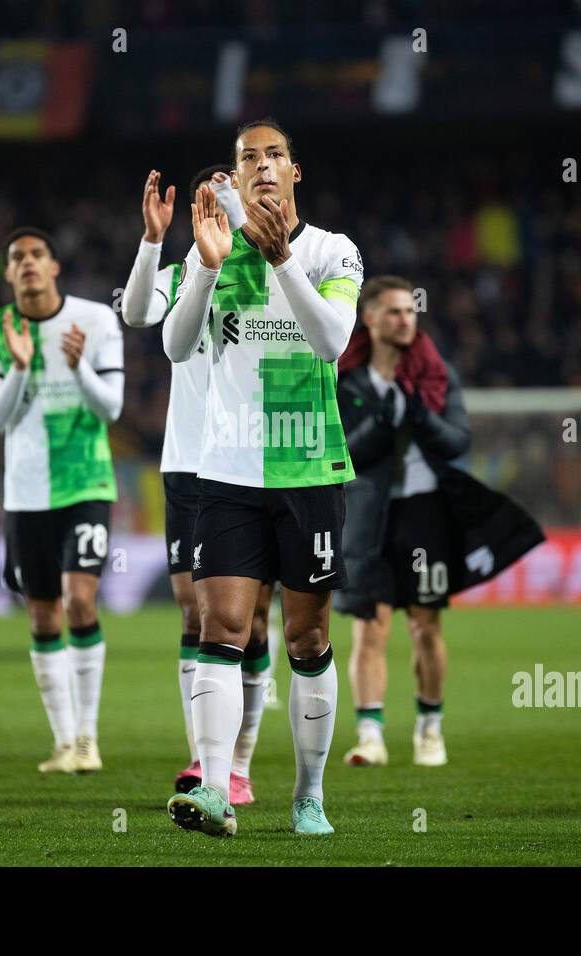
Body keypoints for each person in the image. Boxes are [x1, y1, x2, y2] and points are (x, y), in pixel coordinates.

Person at [162, 118, 362, 837]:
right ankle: (215, 788)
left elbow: (332, 342)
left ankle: (309, 793)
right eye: (250, 158)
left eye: (275, 155)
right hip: (226, 472)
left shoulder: (333, 252)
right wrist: (209, 267)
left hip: (308, 471)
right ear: (236, 177)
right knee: (223, 625)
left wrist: (281, 262)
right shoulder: (209, 252)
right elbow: (177, 347)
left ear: (295, 171)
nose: (264, 167)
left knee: (306, 639)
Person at [336, 275, 545, 769]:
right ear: (369, 318)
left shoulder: (434, 374)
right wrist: (383, 424)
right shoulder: (346, 379)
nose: (405, 319)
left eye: (411, 311)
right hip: (367, 515)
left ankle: (429, 729)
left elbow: (458, 442)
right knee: (369, 628)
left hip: (424, 513)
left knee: (425, 625)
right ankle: (371, 735)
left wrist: (419, 418)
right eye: (393, 311)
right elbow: (341, 451)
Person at [121, 165, 273, 804]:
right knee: (197, 612)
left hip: (253, 462)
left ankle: (239, 764)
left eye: (228, 183)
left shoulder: (268, 276)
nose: (218, 195)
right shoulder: (185, 272)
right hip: (188, 466)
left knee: (255, 621)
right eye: (211, 189)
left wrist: (240, 214)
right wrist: (153, 239)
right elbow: (134, 314)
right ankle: (204, 755)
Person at [0, 226, 124, 775]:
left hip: (85, 483)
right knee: (41, 614)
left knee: (80, 599)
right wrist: (20, 366)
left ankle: (88, 738)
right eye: (18, 258)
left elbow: (111, 409)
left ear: (55, 267)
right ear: (9, 273)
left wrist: (79, 365)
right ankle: (63, 743)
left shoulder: (96, 321)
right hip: (27, 491)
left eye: (38, 255)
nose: (29, 263)